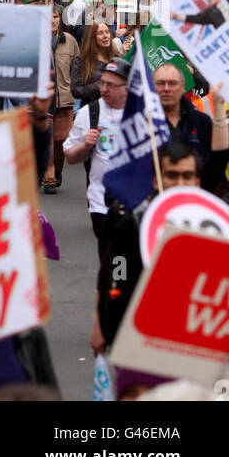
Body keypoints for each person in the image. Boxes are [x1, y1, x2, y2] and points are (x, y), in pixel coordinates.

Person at [90, 141, 203, 356]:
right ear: (156, 180)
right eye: (172, 175)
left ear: (197, 181)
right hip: (141, 340)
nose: (180, 183)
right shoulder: (130, 225)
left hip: (192, 344)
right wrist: (104, 326)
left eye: (187, 176)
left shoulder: (213, 226)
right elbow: (116, 277)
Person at [63, 58, 130, 255]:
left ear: (126, 88)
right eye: (103, 83)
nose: (105, 89)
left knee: (126, 258)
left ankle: (115, 284)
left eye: (111, 85)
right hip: (101, 202)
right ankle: (113, 284)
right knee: (112, 252)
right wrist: (85, 146)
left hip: (134, 201)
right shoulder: (89, 113)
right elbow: (70, 156)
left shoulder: (142, 112)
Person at [152, 63, 229, 192]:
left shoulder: (201, 121)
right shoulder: (142, 123)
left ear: (183, 87)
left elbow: (219, 160)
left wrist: (219, 105)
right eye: (160, 83)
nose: (166, 88)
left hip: (197, 201)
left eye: (172, 83)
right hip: (154, 204)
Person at [43, 0, 80, 194]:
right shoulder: (37, 39)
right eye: (49, 15)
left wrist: (75, 88)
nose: (52, 19)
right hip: (44, 101)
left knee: (62, 140)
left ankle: (57, 170)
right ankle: (49, 178)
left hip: (65, 99)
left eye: (55, 16)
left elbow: (78, 67)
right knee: (47, 140)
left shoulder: (70, 41)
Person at [71, 20, 119, 105]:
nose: (105, 36)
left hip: (113, 110)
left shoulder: (118, 58)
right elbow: (75, 90)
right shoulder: (82, 60)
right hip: (91, 112)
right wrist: (100, 85)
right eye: (100, 33)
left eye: (107, 32)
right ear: (92, 37)